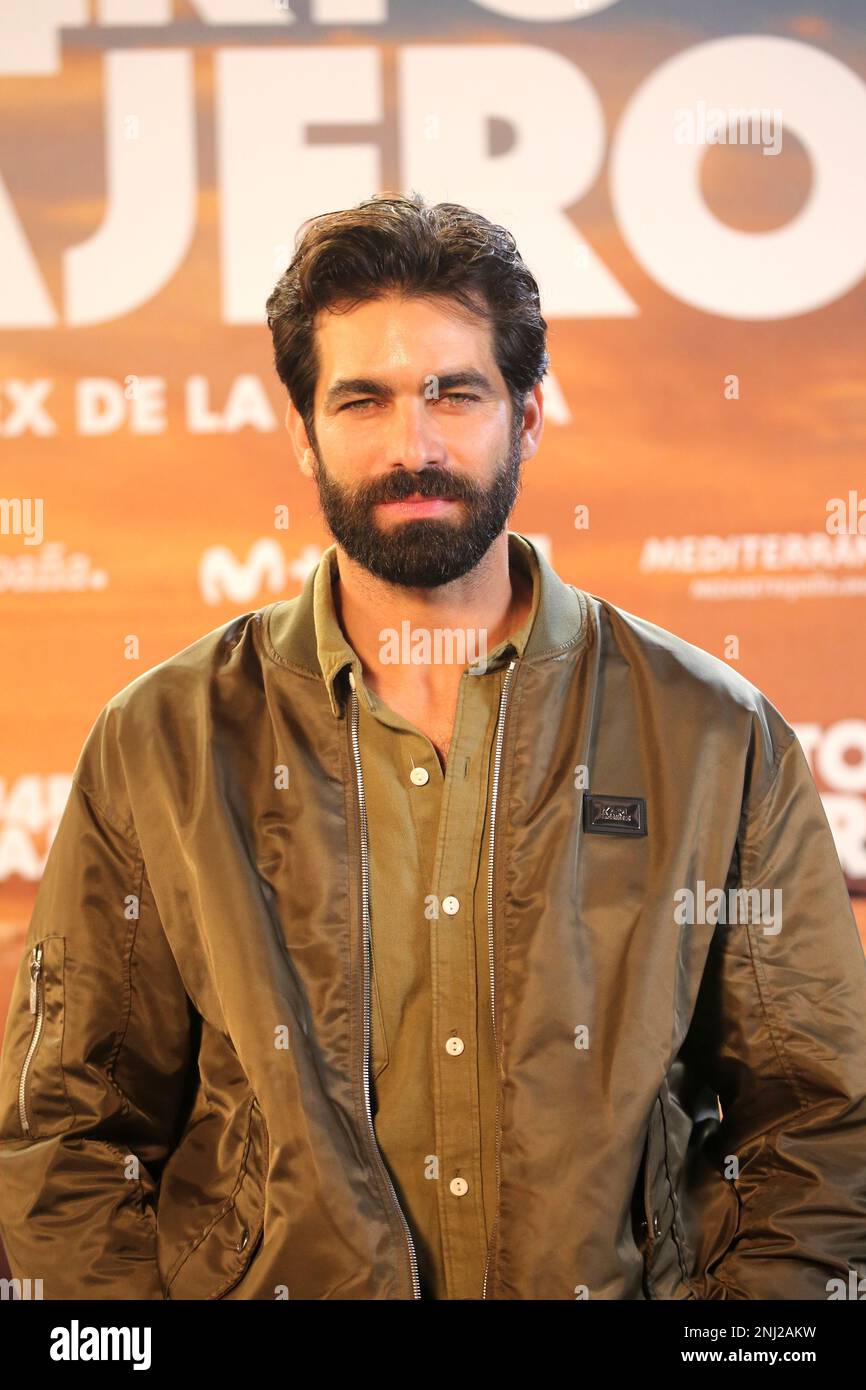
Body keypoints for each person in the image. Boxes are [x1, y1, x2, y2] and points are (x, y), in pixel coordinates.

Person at [1, 192, 864, 1301]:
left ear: (530, 413)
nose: (413, 446)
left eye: (454, 393)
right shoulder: (163, 740)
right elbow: (66, 1128)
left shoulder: (710, 734)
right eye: (361, 400)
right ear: (301, 430)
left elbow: (818, 1119)